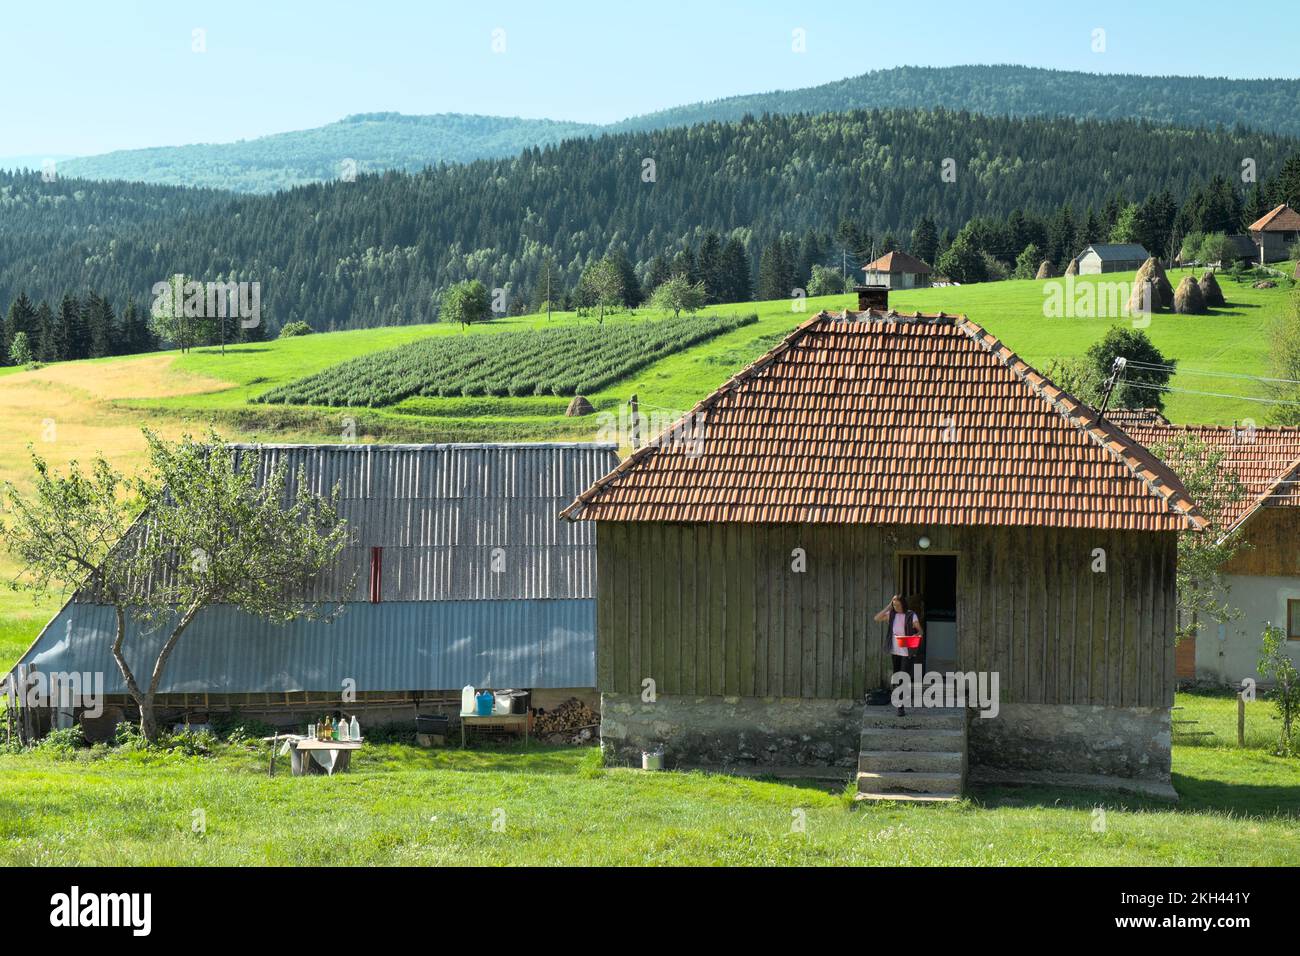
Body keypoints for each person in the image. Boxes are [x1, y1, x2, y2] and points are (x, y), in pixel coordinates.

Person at [874, 594, 923, 715]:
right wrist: (888, 606)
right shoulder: (891, 615)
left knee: (903, 677)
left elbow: (921, 631)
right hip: (895, 651)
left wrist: (915, 635)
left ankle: (900, 707)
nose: (896, 607)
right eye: (894, 605)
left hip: (907, 650)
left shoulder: (911, 615)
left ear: (903, 604)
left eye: (898, 605)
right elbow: (877, 618)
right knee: (897, 676)